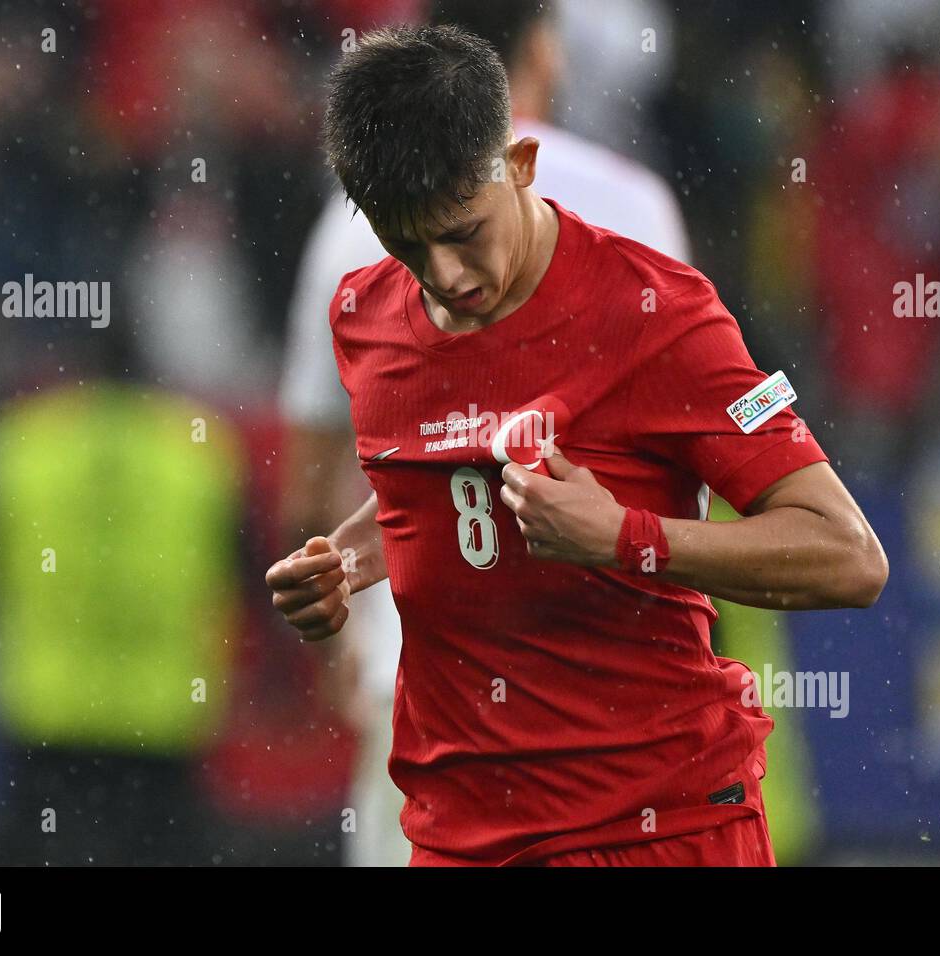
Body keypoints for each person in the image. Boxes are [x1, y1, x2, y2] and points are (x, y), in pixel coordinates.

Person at [267, 23, 888, 867]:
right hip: (459, 838)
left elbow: (851, 557)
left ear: (519, 165)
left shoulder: (667, 316)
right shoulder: (363, 317)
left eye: (463, 232)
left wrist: (627, 540)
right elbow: (446, 476)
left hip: (658, 826)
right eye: (407, 242)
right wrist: (345, 559)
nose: (445, 274)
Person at [278, 0, 689, 868]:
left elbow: (313, 474)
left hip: (423, 664)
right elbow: (686, 443)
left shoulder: (350, 225)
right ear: (543, 50)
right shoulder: (634, 202)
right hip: (608, 665)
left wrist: (336, 632)